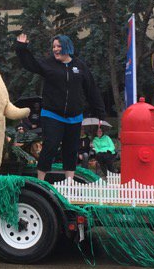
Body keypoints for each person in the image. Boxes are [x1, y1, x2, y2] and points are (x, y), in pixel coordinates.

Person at [14, 33, 106, 184]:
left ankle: (69, 182)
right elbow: (30, 64)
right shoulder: (49, 64)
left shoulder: (80, 66)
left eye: (58, 46)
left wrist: (100, 113)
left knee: (71, 149)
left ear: (67, 47)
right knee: (50, 146)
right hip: (52, 114)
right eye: (54, 47)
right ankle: (41, 182)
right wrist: (21, 48)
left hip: (74, 117)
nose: (55, 49)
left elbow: (91, 90)